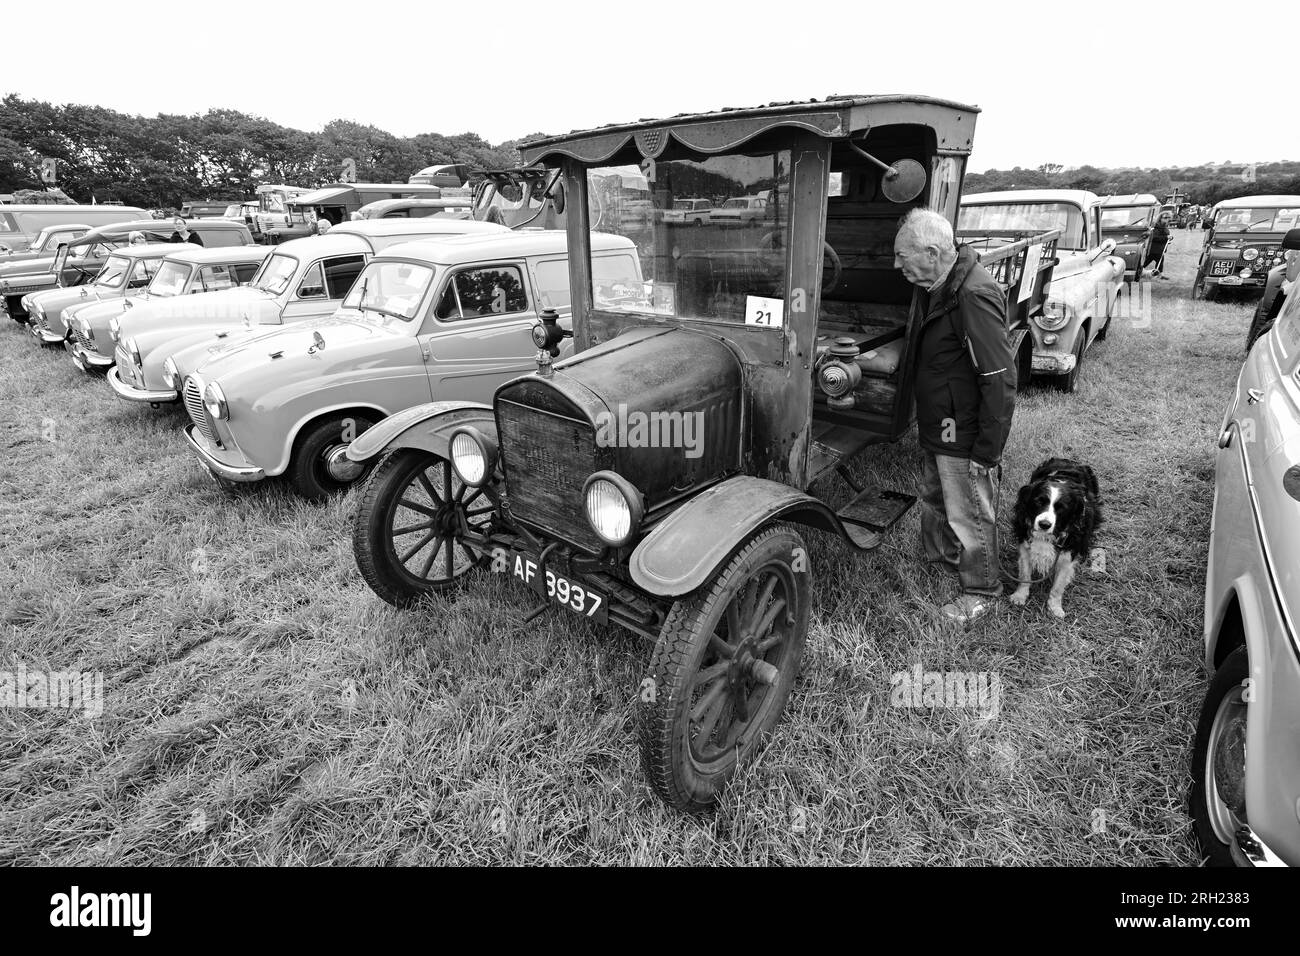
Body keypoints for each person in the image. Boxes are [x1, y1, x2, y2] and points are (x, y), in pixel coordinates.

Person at [894, 208, 1015, 625]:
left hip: (961, 428)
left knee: (970, 511)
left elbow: (998, 378)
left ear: (931, 252)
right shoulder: (941, 287)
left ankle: (982, 589)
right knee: (936, 496)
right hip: (940, 422)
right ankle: (943, 558)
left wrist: (987, 450)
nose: (898, 265)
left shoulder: (972, 295)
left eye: (902, 256)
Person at [1144, 210, 1171, 279]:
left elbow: (1166, 236)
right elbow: (1154, 238)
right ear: (1160, 218)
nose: (1167, 219)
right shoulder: (1155, 227)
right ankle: (1138, 272)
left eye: (1168, 217)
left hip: (1160, 249)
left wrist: (1169, 238)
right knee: (1145, 262)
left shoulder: (1165, 227)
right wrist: (1166, 238)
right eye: (1165, 217)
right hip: (1153, 249)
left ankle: (1159, 275)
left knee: (1160, 261)